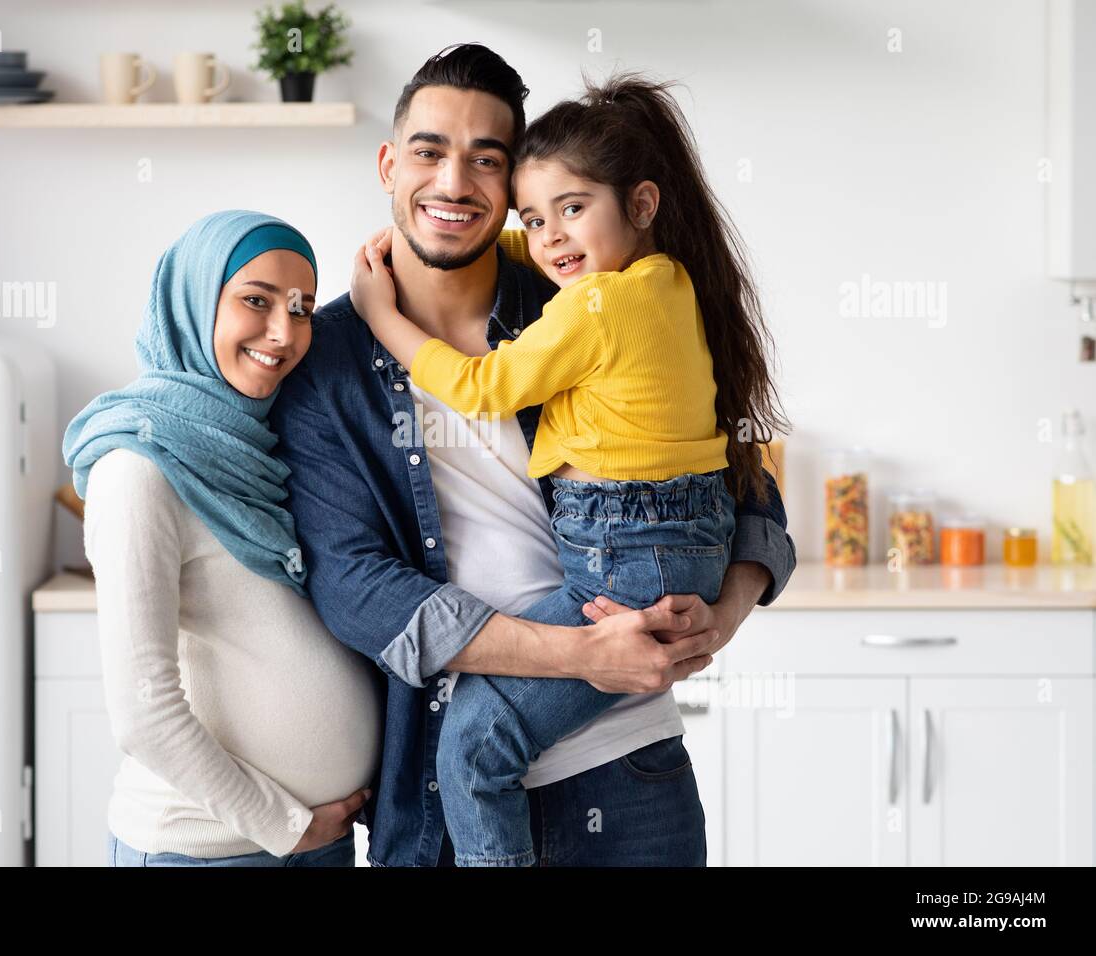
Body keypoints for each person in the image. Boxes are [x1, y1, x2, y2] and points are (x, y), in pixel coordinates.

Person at [272, 44, 796, 867]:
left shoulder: (578, 292)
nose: (453, 183)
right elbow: (355, 588)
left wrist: (720, 616)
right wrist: (581, 652)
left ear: (509, 185)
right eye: (429, 151)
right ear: (387, 164)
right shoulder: (327, 358)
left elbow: (737, 471)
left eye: (486, 159)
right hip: (446, 799)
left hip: (630, 775)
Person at [63, 210, 382, 868]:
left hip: (311, 843)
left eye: (301, 309)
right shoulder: (138, 467)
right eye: (255, 301)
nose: (283, 332)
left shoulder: (267, 447)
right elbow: (142, 711)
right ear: (194, 300)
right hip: (208, 850)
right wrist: (286, 825)